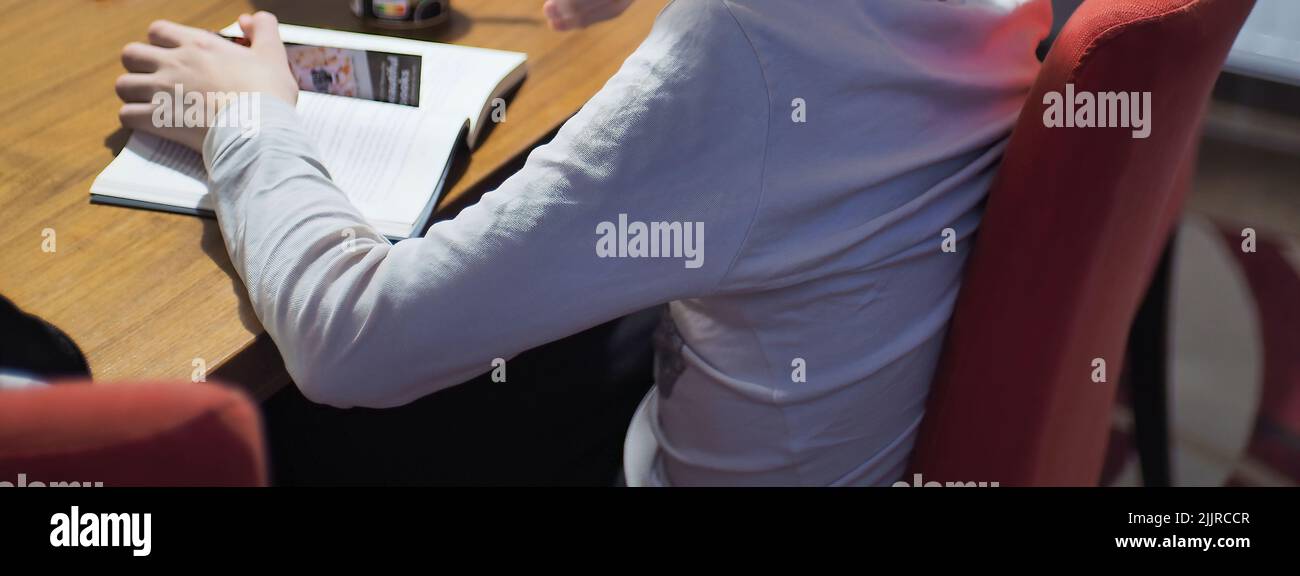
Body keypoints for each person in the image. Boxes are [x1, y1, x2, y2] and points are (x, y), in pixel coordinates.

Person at [115, 0, 1052, 486]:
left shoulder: (747, 49)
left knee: (265, 427)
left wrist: (245, 114)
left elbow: (351, 341)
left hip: (666, 464)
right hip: (802, 414)